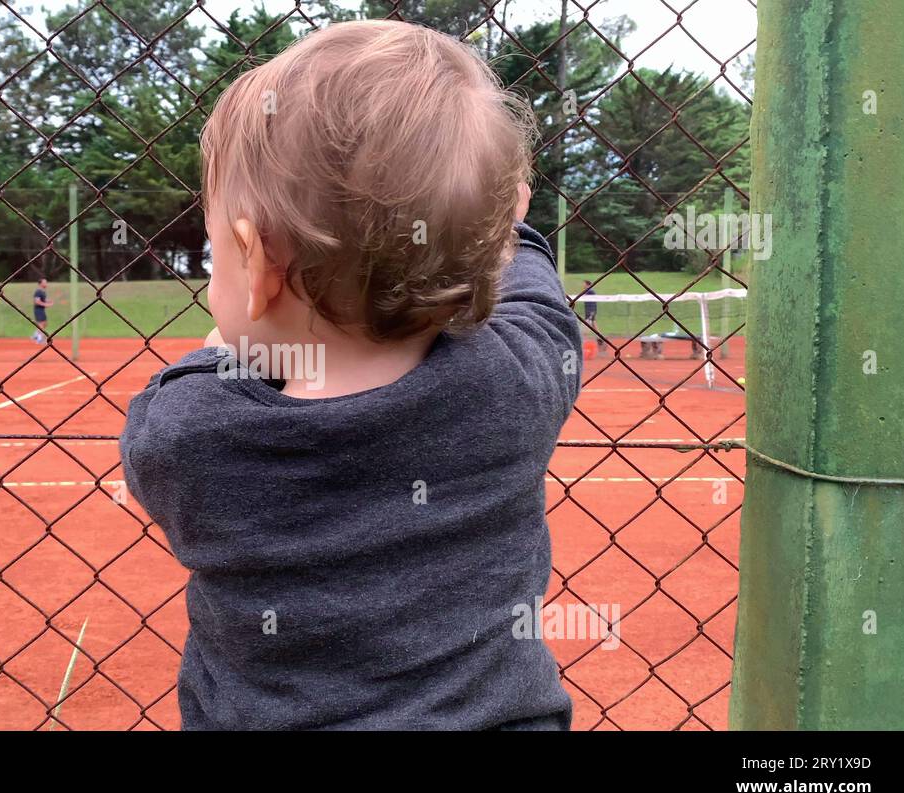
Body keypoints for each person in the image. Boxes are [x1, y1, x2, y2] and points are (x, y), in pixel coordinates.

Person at [119, 21, 580, 730]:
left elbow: (180, 397)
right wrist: (503, 231)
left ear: (257, 265)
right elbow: (540, 303)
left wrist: (229, 348)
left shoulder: (188, 433)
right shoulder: (513, 382)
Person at [580, 278, 603, 351]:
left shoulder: (590, 291)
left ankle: (582, 339)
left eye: (584, 283)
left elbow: (583, 295)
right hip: (589, 311)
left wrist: (592, 311)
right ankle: (600, 338)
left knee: (586, 325)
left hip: (591, 311)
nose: (582, 285)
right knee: (594, 324)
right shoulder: (588, 291)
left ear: (587, 284)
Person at [32, 277, 52, 343]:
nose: (46, 284)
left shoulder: (43, 292)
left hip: (42, 310)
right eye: (45, 282)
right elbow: (36, 301)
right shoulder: (38, 292)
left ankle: (35, 335)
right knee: (41, 324)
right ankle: (39, 339)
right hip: (38, 310)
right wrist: (46, 304)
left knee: (45, 323)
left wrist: (48, 301)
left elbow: (42, 300)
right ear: (40, 284)